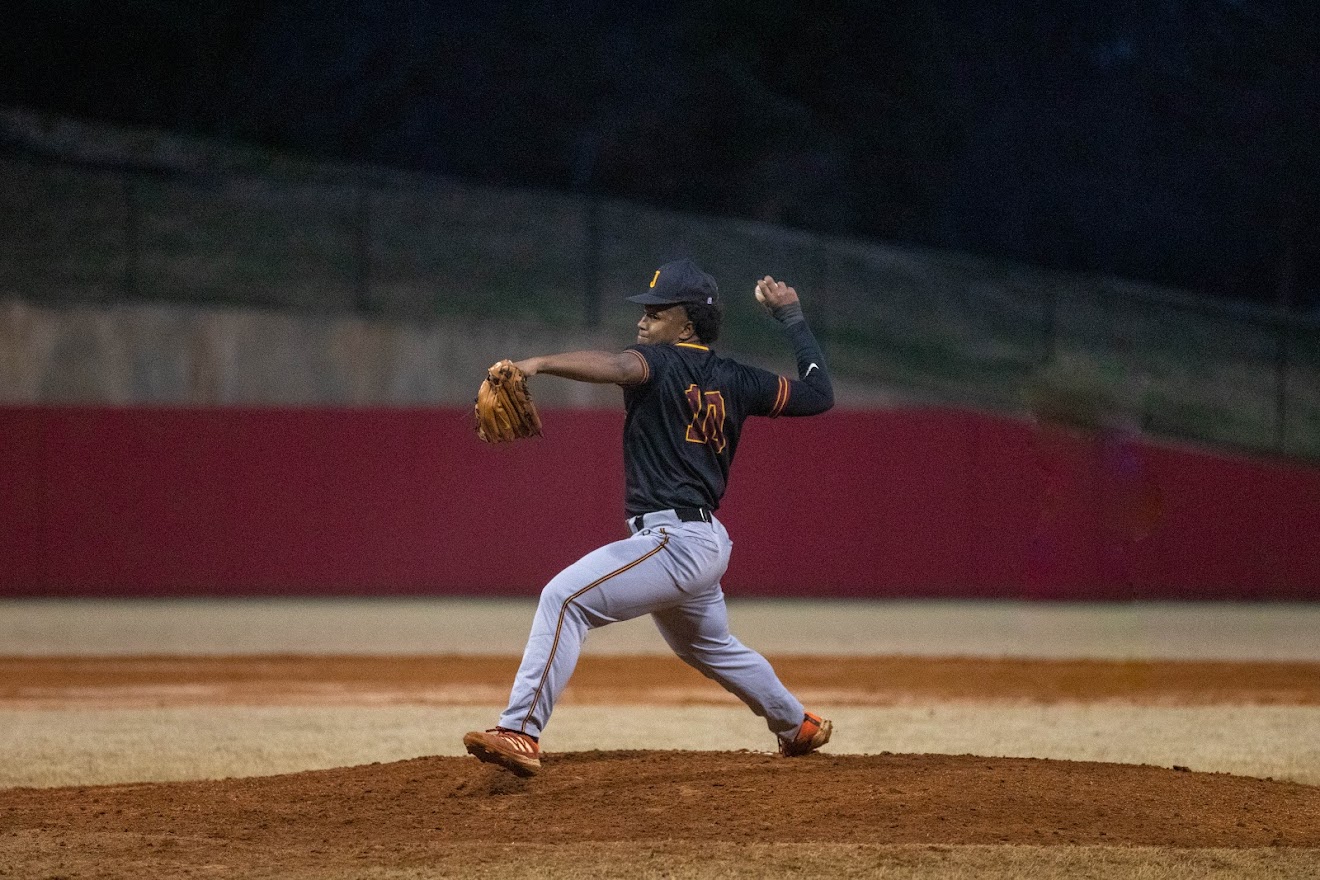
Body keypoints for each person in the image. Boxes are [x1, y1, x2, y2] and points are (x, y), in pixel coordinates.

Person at [462, 258, 836, 776]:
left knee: (564, 598)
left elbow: (620, 367)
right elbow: (819, 395)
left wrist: (538, 364)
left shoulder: (656, 363)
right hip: (702, 541)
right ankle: (798, 725)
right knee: (709, 646)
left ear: (687, 324)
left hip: (676, 540)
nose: (644, 319)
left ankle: (519, 731)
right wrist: (793, 317)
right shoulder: (739, 379)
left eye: (657, 312)